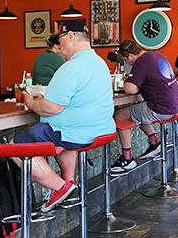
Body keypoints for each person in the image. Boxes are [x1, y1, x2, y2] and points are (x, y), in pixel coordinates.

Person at [14, 20, 115, 211]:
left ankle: (61, 188)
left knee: (17, 146)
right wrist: (46, 99)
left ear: (71, 36)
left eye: (59, 40)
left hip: (78, 133)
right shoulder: (98, 62)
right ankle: (70, 181)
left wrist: (29, 101)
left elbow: (49, 109)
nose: (58, 47)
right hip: (100, 130)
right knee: (62, 137)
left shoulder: (72, 67)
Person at [113, 38, 178, 173]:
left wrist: (135, 82)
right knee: (138, 111)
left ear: (131, 56)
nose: (126, 63)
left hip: (162, 108)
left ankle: (127, 159)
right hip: (175, 105)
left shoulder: (141, 63)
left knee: (120, 115)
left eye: (125, 60)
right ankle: (155, 142)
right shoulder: (156, 54)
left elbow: (129, 89)